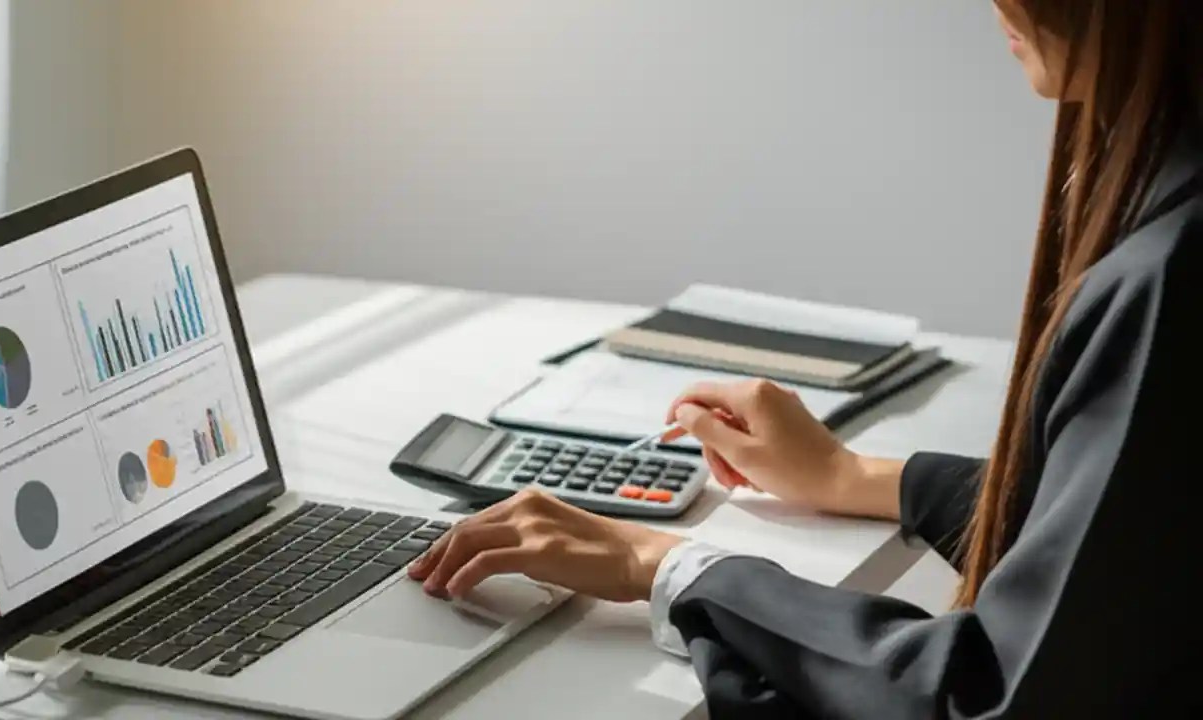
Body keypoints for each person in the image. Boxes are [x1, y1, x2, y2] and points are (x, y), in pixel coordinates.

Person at [410, 1, 1202, 716]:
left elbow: (990, 696)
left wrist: (668, 565)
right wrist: (852, 477)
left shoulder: (1170, 272)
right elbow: (1132, 539)